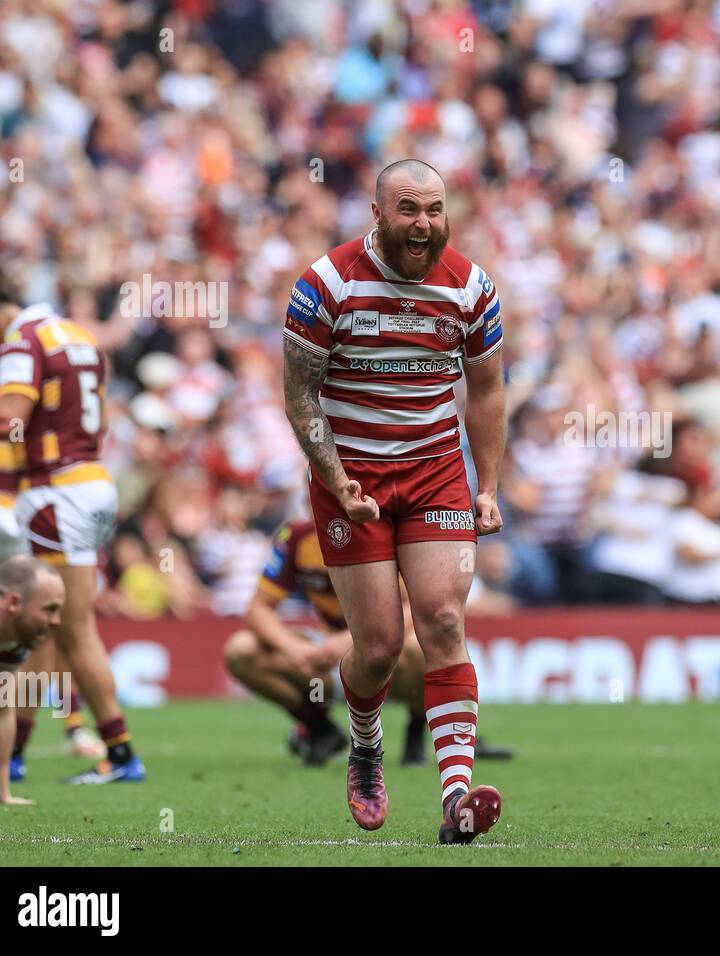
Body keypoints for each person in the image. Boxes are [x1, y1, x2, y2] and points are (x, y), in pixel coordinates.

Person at [282, 159, 506, 843]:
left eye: (435, 209)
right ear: (377, 213)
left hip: (436, 472)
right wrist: (334, 474)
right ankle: (366, 742)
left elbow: (488, 391)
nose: (424, 224)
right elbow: (299, 396)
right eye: (409, 209)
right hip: (352, 481)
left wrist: (488, 485)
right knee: (377, 648)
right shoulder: (326, 285)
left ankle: (456, 799)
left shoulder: (470, 287)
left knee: (441, 619)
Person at [0, 255, 145, 784]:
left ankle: (120, 754)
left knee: (72, 629)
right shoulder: (75, 333)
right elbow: (104, 418)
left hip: (55, 492)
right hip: (88, 481)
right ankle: (12, 753)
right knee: (42, 631)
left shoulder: (23, 339)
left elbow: (7, 418)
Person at [224, 519, 515, 767]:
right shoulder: (297, 537)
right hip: (327, 653)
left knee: (420, 648)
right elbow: (258, 608)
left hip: (384, 648)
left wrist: (349, 639)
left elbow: (418, 606)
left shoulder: (382, 529)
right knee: (241, 650)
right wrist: (294, 649)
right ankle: (319, 728)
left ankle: (419, 729)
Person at [0, 555, 65, 804]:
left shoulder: (14, 636)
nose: (56, 621)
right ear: (13, 603)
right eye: (49, 609)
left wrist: (1, 796)